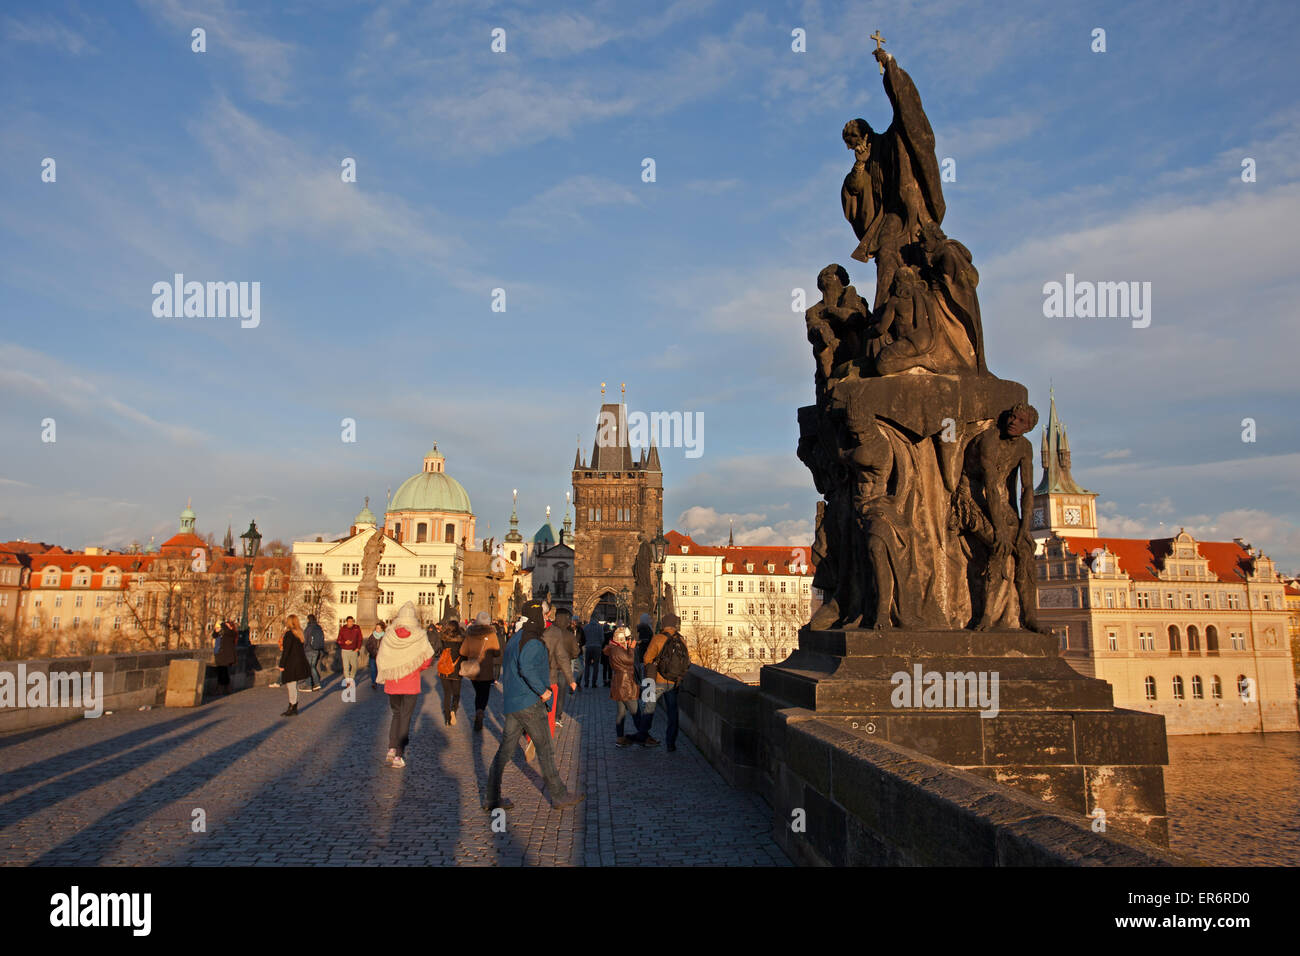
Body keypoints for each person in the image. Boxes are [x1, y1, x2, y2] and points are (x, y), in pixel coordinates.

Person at [482, 600, 585, 813]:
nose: (546, 620)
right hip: (529, 702)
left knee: (505, 751)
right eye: (544, 617)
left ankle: (492, 797)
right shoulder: (531, 640)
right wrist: (543, 691)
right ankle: (558, 795)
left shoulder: (516, 638)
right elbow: (527, 668)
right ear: (538, 618)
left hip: (514, 702)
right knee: (545, 749)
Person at [376, 602, 434, 769]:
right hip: (410, 683)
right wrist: (414, 666)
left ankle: (391, 749)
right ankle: (399, 755)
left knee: (396, 715)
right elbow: (427, 659)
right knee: (406, 718)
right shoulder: (419, 635)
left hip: (393, 683)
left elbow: (381, 657)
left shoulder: (389, 635)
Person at [643, 613, 690, 752]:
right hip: (674, 682)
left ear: (663, 624)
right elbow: (687, 661)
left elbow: (647, 658)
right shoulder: (681, 640)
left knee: (648, 708)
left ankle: (644, 737)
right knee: (672, 712)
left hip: (656, 681)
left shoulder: (658, 638)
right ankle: (671, 743)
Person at [604, 625, 646, 748]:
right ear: (622, 638)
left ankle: (620, 738)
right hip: (625, 686)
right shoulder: (617, 650)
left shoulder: (615, 648)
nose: (629, 641)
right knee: (636, 713)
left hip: (620, 685)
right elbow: (630, 661)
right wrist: (632, 648)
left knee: (621, 713)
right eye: (627, 638)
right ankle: (644, 738)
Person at [460, 611, 502, 732]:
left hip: (474, 671)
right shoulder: (492, 634)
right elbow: (497, 652)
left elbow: (463, 651)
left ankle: (478, 710)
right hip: (486, 670)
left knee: (478, 692)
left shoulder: (470, 634)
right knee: (484, 694)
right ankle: (480, 711)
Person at [544, 608, 580, 729]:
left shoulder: (549, 631)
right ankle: (557, 717)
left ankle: (547, 715)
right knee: (560, 695)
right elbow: (576, 652)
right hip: (563, 669)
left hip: (549, 668)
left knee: (548, 692)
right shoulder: (569, 635)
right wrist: (570, 656)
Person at [278, 614, 311, 717]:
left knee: (291, 685)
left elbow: (286, 651)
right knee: (294, 685)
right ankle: (294, 706)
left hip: (291, 663)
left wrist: (282, 664)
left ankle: (292, 706)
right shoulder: (299, 633)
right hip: (299, 662)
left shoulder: (289, 634)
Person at [435, 616, 465, 726]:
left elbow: (439, 651)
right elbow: (464, 654)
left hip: (444, 670)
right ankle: (453, 710)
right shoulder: (462, 639)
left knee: (447, 694)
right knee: (456, 694)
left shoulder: (443, 639)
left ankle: (447, 718)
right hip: (457, 670)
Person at [336, 615, 363, 686]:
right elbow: (338, 640)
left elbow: (360, 638)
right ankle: (348, 681)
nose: (351, 623)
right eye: (349, 621)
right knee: (346, 667)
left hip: (353, 650)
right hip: (345, 650)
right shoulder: (343, 629)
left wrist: (358, 647)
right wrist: (344, 642)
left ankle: (351, 678)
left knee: (354, 666)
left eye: (352, 621)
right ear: (347, 622)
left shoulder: (356, 628)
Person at [213, 619, 237, 695]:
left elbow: (228, 632)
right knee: (222, 671)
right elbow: (214, 635)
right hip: (220, 654)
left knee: (223, 671)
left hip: (227, 655)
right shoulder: (222, 632)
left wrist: (223, 624)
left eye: (227, 625)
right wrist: (216, 630)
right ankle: (226, 688)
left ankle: (222, 688)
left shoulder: (231, 633)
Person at [303, 613, 325, 691]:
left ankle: (309, 685)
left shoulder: (308, 628)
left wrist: (303, 648)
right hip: (317, 650)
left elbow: (305, 640)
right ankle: (316, 684)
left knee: (308, 668)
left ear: (308, 619)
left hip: (309, 649)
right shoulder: (318, 627)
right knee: (313, 667)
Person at [581, 616, 603, 689]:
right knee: (596, 666)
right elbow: (602, 639)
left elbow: (583, 638)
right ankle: (594, 683)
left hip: (588, 647)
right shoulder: (600, 627)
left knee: (587, 666)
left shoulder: (586, 627)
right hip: (597, 647)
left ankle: (586, 683)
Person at [364, 621, 385, 691]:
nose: (377, 629)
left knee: (381, 670)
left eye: (378, 628)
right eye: (376, 628)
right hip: (373, 656)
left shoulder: (385, 636)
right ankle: (374, 683)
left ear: (382, 629)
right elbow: (367, 645)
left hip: (382, 657)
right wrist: (373, 652)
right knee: (373, 670)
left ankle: (383, 681)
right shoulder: (372, 636)